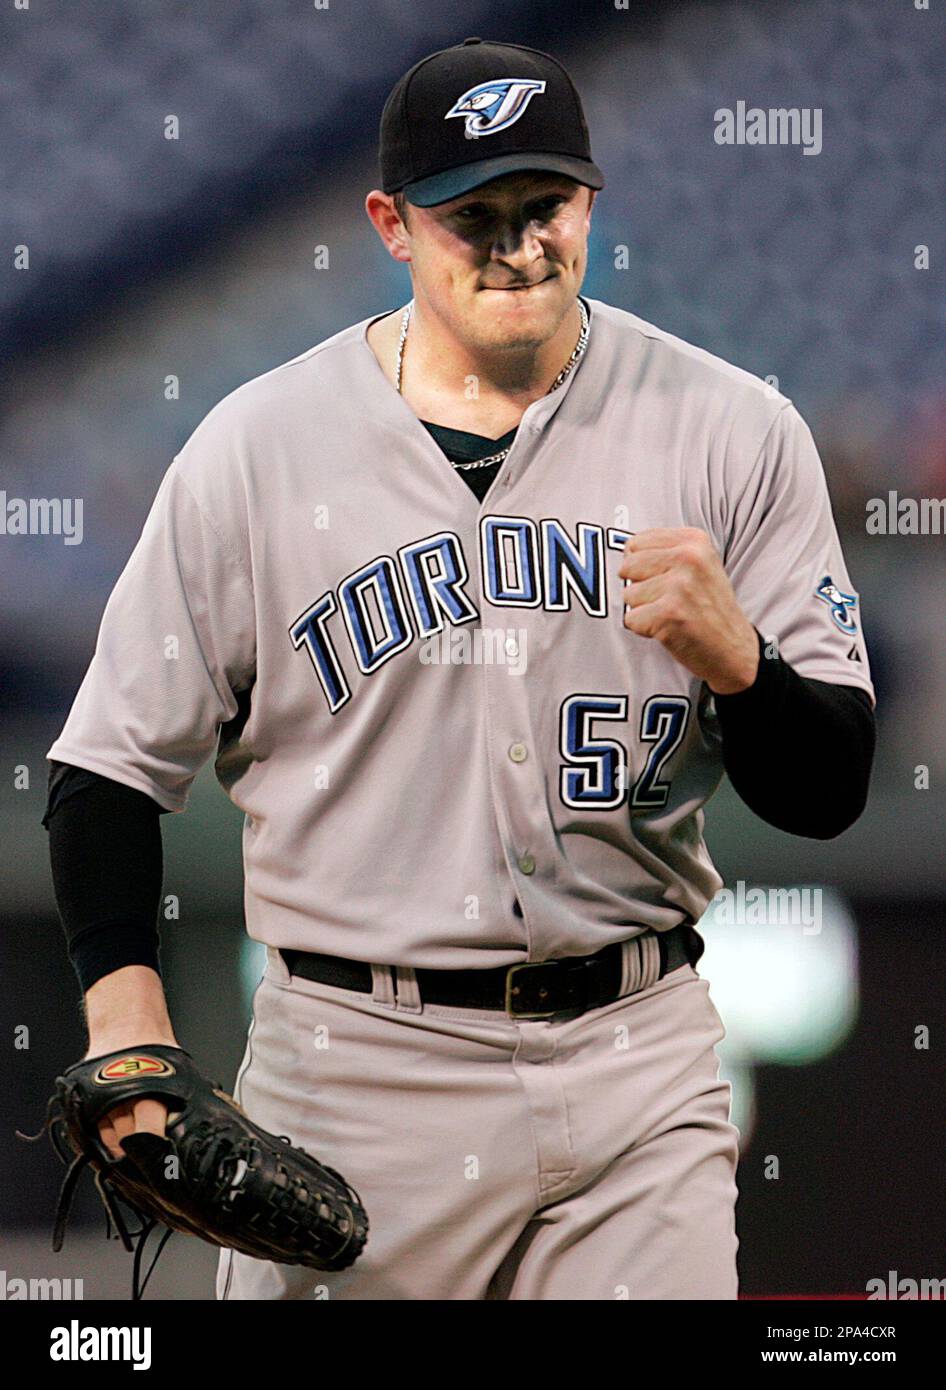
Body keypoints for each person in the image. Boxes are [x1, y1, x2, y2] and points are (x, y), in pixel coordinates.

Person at [44, 38, 876, 1300]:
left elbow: (828, 787)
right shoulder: (257, 452)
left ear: (588, 201)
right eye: (469, 216)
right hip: (356, 1066)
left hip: (636, 1053)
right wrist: (126, 1019)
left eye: (542, 207)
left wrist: (745, 666)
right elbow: (105, 768)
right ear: (390, 222)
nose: (515, 245)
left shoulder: (731, 430)